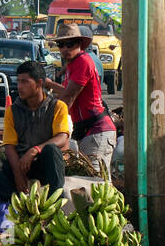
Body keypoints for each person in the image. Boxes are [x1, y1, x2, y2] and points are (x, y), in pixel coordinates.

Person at [0, 60, 69, 226]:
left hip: (44, 163)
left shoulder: (57, 106)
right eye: (18, 81)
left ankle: (54, 206)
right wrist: (18, 175)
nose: (19, 86)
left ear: (39, 83)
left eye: (24, 82)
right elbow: (9, 146)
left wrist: (35, 150)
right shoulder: (12, 110)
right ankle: (14, 199)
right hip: (20, 163)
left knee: (51, 149)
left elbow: (62, 137)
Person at [45, 23, 116, 175]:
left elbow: (68, 98)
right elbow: (68, 93)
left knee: (96, 182)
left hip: (97, 129)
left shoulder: (82, 62)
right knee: (91, 181)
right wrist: (50, 85)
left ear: (79, 44)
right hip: (87, 131)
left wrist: (44, 118)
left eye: (69, 44)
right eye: (61, 44)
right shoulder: (73, 65)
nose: (64, 48)